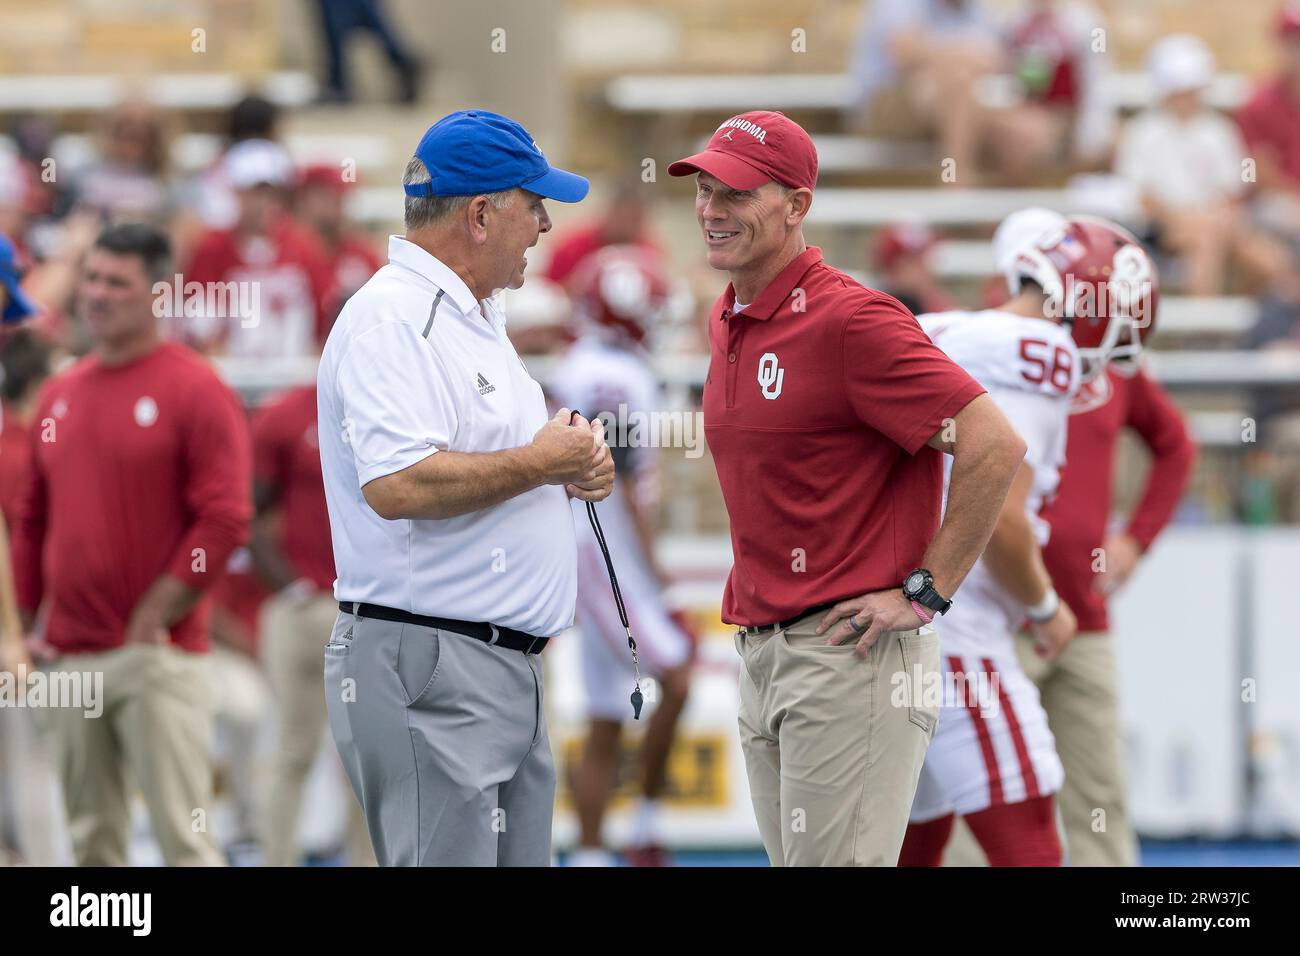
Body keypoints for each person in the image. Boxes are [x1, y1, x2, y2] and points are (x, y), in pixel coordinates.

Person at [667, 111, 1026, 866]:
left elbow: (993, 443)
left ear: (796, 206)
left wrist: (928, 591)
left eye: (735, 191)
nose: (712, 208)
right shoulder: (730, 314)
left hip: (846, 655)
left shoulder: (853, 320)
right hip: (767, 653)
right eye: (705, 189)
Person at [317, 110, 612, 867]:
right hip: (435, 656)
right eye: (534, 202)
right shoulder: (395, 320)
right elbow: (399, 482)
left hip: (484, 661)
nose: (545, 224)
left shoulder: (461, 316)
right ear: (480, 214)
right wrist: (545, 463)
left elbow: (492, 464)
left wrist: (570, 468)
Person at [902, 216, 1154, 866]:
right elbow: (1002, 520)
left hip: (902, 628)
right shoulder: (1039, 353)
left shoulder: (943, 329)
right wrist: (1046, 607)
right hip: (959, 635)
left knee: (915, 839)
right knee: (1032, 841)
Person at [11, 223, 253, 866]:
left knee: (184, 837)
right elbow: (33, 520)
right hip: (70, 653)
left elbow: (225, 519)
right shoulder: (60, 393)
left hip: (157, 654)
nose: (95, 293)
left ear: (158, 294)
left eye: (115, 282)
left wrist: (156, 614)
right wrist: (32, 624)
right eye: (90, 277)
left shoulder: (196, 388)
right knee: (92, 840)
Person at [551, 246, 695, 868]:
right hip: (604, 554)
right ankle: (645, 825)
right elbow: (627, 478)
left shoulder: (580, 363)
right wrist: (657, 570)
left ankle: (589, 851)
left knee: (607, 715)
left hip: (588, 548)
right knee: (681, 673)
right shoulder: (618, 376)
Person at [251, 378, 374, 867]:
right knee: (291, 751)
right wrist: (291, 588)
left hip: (369, 608)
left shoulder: (392, 404)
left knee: (371, 759)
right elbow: (246, 511)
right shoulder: (288, 412)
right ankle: (276, 859)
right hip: (308, 607)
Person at [1115, 34, 1280, 295]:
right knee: (1207, 242)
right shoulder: (1143, 132)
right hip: (1160, 230)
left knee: (1270, 261)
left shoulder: (1217, 129)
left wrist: (1213, 217)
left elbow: (1233, 189)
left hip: (1218, 223)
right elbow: (1142, 196)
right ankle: (1203, 330)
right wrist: (1189, 220)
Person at [179, 140, 334, 358]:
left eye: (272, 193)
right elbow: (198, 326)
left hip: (294, 375)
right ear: (236, 193)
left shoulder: (304, 246)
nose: (264, 202)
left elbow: (324, 317)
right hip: (232, 375)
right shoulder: (211, 249)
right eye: (255, 192)